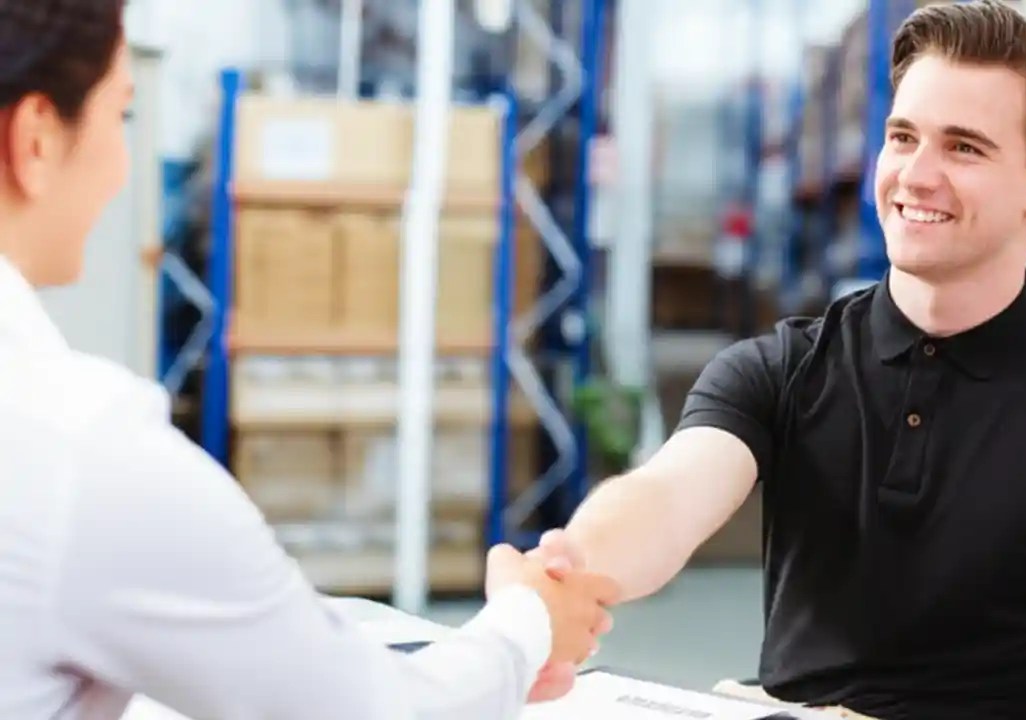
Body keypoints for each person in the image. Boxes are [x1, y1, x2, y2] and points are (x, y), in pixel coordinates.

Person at [529, 2, 1026, 718]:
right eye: (903, 137)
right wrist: (572, 563)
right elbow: (667, 499)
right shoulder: (780, 371)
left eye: (963, 147)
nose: (916, 175)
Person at [0, 2, 619, 719]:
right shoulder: (82, 450)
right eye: (123, 118)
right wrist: (528, 623)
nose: (121, 167)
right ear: (37, 138)